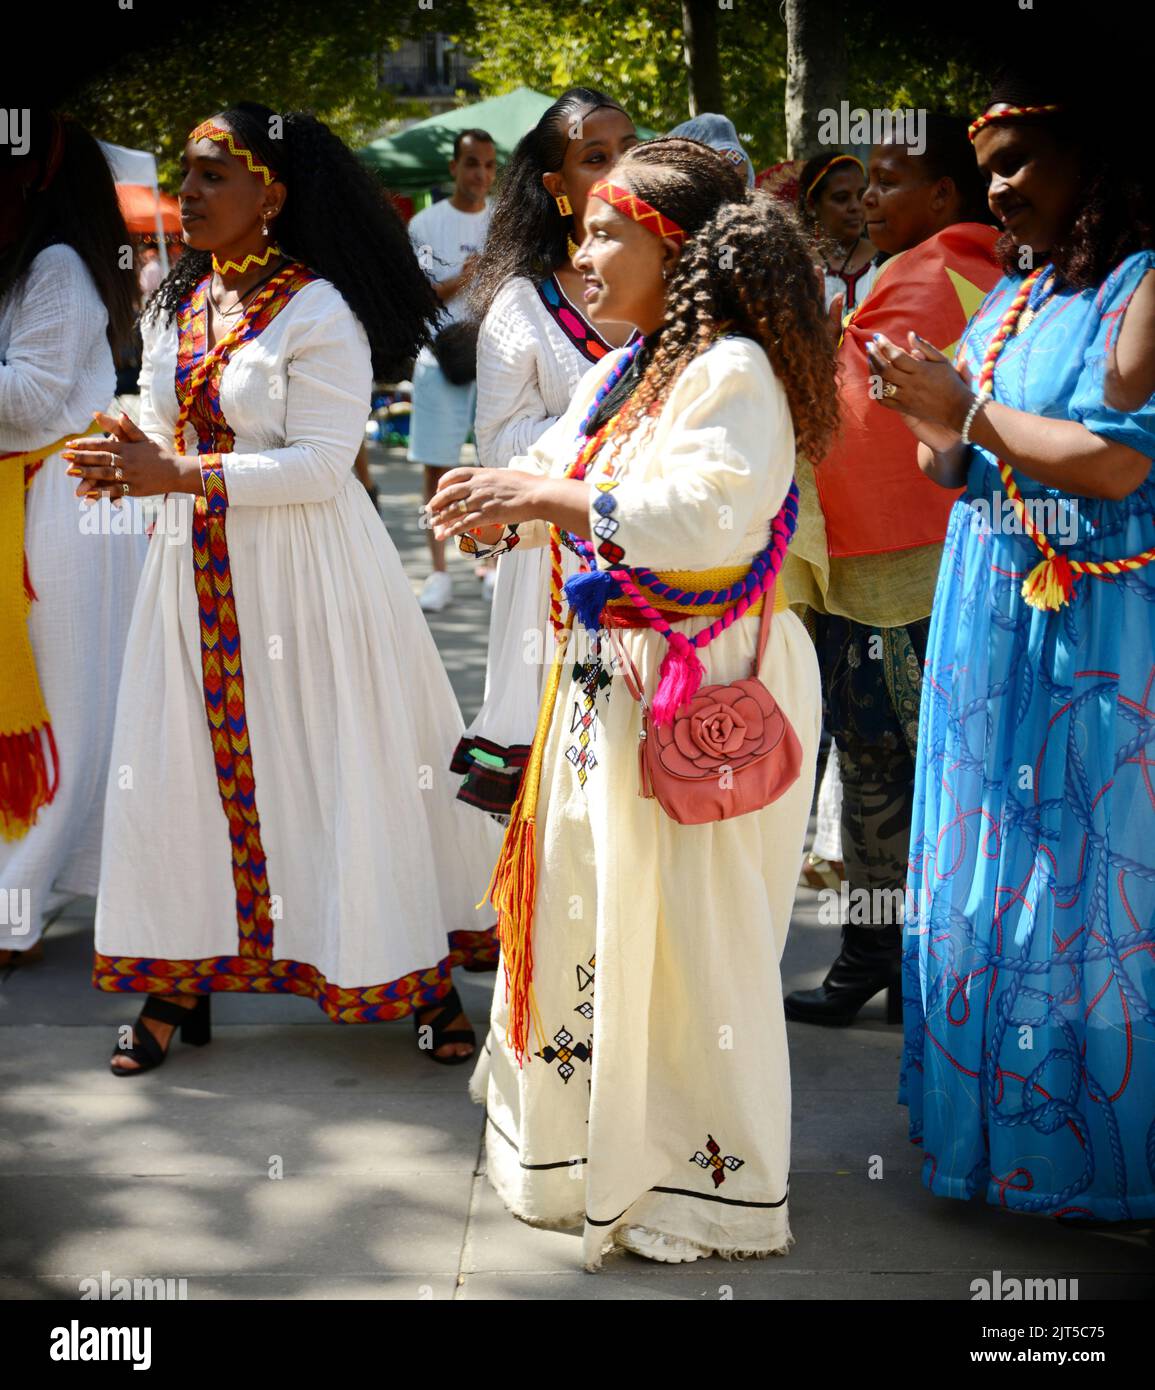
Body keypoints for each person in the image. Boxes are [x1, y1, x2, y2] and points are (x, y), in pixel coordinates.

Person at [429, 137, 838, 1267]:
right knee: (599, 922)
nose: (584, 250)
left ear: (675, 246)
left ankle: (700, 1182)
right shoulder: (630, 368)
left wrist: (545, 493)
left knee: (691, 941)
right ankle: (585, 1154)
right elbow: (562, 476)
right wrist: (494, 506)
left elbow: (705, 514)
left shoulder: (734, 370)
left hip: (695, 683)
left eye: (608, 231)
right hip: (604, 685)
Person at [68, 103, 502, 1073]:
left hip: (309, 573)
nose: (189, 193)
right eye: (186, 174)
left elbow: (320, 464)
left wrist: (177, 474)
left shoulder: (317, 310)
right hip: (193, 574)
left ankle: (418, 976)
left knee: (347, 760)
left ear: (272, 193)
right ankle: (181, 973)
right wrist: (125, 450)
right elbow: (157, 414)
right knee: (187, 768)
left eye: (214, 175)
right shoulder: (175, 301)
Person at [869, 72, 1155, 1220]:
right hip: (993, 598)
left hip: (1100, 617)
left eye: (1019, 159)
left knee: (1089, 871)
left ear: (1099, 156)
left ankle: (1090, 1153)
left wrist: (967, 414)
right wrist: (926, 415)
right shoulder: (1020, 295)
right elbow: (966, 459)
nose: (998, 186)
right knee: (997, 860)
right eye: (987, 164)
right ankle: (995, 1138)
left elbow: (1119, 460)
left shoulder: (1142, 282)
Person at [783, 115, 1002, 1026]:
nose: (869, 197)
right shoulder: (970, 269)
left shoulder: (927, 277)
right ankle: (900, 958)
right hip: (936, 559)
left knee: (883, 762)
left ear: (944, 196)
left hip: (901, 572)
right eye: (863, 181)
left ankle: (887, 957)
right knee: (919, 768)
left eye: (891, 180)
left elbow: (857, 422)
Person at [450, 88, 639, 817]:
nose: (621, 170)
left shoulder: (685, 291)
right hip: (552, 573)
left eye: (631, 150)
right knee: (564, 795)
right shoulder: (523, 304)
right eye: (597, 158)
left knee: (646, 783)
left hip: (660, 557)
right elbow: (497, 450)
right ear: (558, 190)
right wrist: (618, 420)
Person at [0, 112, 143, 967]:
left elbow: (30, 398)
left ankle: (16, 904)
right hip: (31, 497)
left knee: (66, 711)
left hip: (61, 499)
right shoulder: (30, 262)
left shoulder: (56, 266)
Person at [408, 129, 498, 613]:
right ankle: (439, 571)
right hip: (440, 355)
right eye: (471, 164)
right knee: (438, 466)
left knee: (493, 461)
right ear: (453, 168)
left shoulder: (504, 220)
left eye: (488, 165)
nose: (480, 174)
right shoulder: (425, 224)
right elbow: (414, 296)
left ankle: (490, 562)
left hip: (494, 354)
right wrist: (460, 280)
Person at [797, 152, 878, 315]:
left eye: (861, 195)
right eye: (841, 198)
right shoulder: (797, 267)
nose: (856, 206)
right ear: (812, 206)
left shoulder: (886, 261)